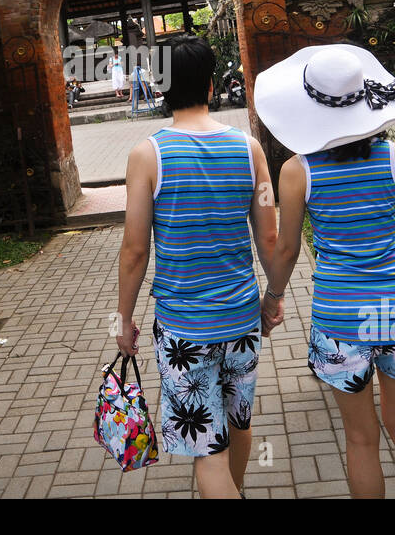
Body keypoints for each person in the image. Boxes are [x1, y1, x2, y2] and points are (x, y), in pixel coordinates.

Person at [254, 44, 395, 500]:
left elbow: (286, 250)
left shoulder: (296, 171)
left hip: (341, 317)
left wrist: (273, 297)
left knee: (361, 438)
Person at [115, 34, 278, 499]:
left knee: (208, 452)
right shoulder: (250, 150)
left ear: (162, 87)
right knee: (237, 421)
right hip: (241, 317)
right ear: (210, 84)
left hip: (184, 326)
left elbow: (134, 250)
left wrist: (124, 320)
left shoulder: (147, 155)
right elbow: (268, 236)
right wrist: (274, 295)